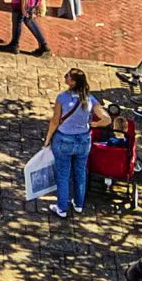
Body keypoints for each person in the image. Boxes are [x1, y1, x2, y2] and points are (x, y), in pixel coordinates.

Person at [42, 68, 107, 219]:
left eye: (68, 77)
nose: (65, 77)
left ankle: (62, 208)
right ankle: (78, 204)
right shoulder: (90, 99)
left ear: (73, 82)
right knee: (80, 172)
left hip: (64, 139)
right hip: (83, 141)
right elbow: (107, 118)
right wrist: (95, 124)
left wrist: (48, 139)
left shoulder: (62, 98)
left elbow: (55, 120)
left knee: (63, 175)